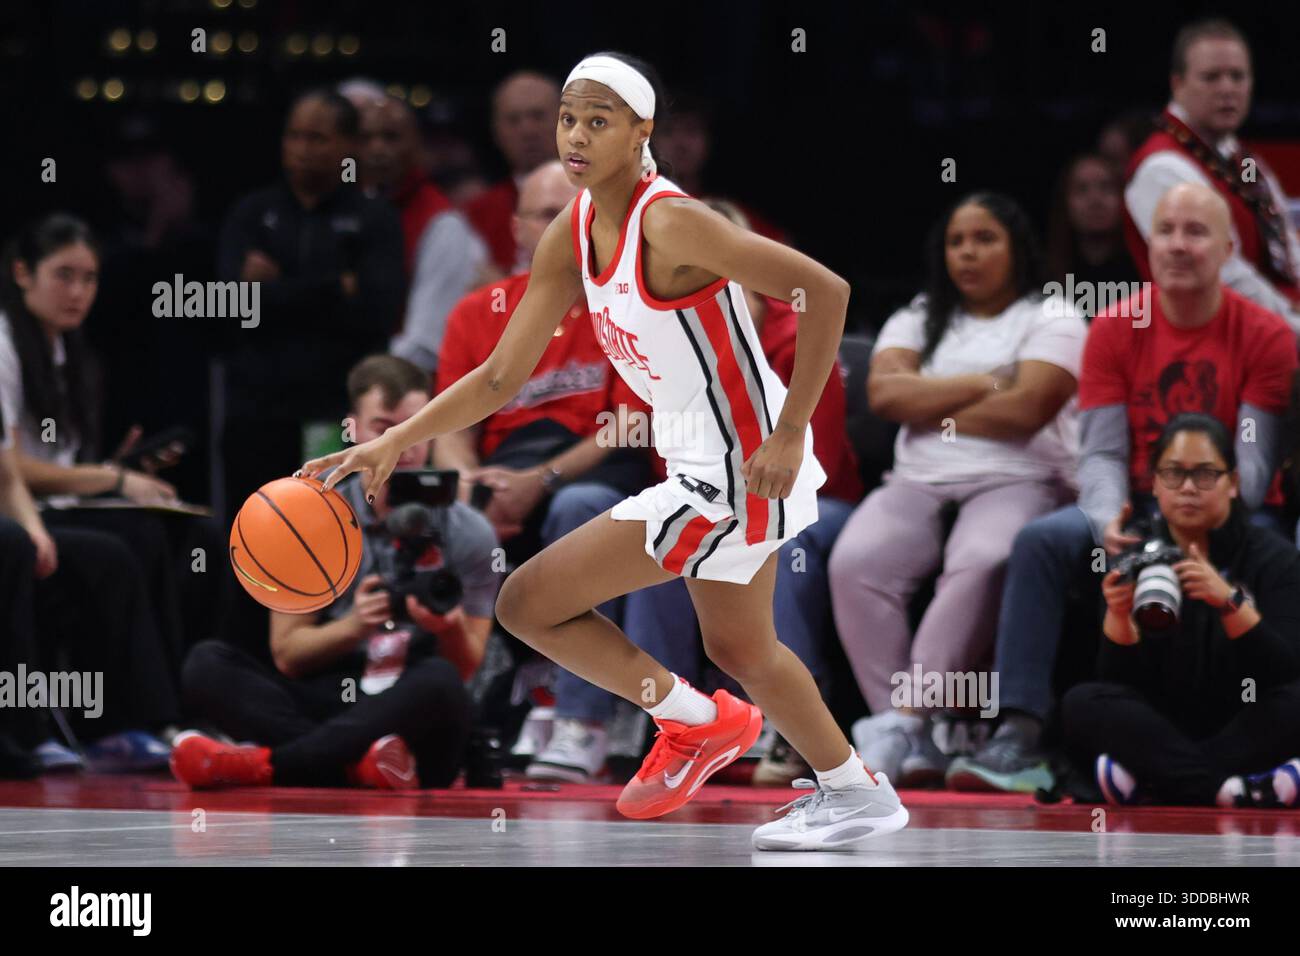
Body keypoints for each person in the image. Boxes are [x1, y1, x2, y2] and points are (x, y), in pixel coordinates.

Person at [299, 51, 909, 851]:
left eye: (598, 120)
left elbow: (824, 291)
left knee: (524, 602)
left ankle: (694, 721)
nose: (576, 135)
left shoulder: (671, 219)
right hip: (698, 460)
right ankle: (854, 791)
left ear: (642, 132)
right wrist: (392, 444)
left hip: (740, 463)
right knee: (741, 647)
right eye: (567, 117)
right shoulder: (575, 226)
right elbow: (499, 375)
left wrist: (791, 432)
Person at [948, 182, 1298, 794]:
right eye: (1166, 230)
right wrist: (1110, 519)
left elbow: (1253, 464)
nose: (1179, 245)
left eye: (1196, 232)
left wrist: (1197, 514)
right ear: (1148, 243)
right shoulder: (1115, 325)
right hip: (1139, 508)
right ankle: (1019, 732)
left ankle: (1173, 767)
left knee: (1272, 561)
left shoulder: (1267, 335)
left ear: (1228, 248)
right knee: (1041, 541)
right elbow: (1103, 453)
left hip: (1233, 514)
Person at [834, 194, 1084, 786]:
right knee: (854, 562)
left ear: (1017, 248)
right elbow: (885, 398)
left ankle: (901, 724)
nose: (968, 253)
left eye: (985, 239)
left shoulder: (1054, 316)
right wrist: (985, 382)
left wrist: (930, 400)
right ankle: (907, 732)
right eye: (956, 241)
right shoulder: (917, 316)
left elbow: (1026, 411)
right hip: (918, 480)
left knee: (982, 559)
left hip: (1017, 477)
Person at [171, 355, 498, 789]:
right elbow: (289, 655)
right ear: (353, 431)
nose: (403, 444)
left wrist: (448, 627)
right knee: (206, 665)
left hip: (412, 710)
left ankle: (267, 765)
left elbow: (466, 668)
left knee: (439, 683)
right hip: (334, 695)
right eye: (384, 427)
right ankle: (354, 766)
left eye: (417, 427)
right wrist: (354, 627)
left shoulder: (470, 530)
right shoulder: (305, 514)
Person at [1064, 413, 1300, 808]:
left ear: (1234, 483)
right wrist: (1119, 620)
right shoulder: (1132, 559)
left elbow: (1284, 672)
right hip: (1162, 721)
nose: (1188, 488)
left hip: (1243, 720)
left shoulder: (1274, 558)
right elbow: (1116, 681)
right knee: (1082, 702)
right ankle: (1233, 789)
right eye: (1173, 473)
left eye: (1206, 474)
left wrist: (1229, 602)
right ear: (1154, 483)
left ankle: (1155, 780)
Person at [215, 87, 405, 518]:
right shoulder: (251, 211)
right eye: (294, 136)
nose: (302, 150)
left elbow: (377, 312)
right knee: (252, 530)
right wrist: (334, 287)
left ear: (349, 146)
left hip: (337, 409)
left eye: (317, 139)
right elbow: (231, 307)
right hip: (258, 410)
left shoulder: (375, 218)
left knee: (331, 530)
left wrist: (276, 288)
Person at [1123, 18, 1300, 336]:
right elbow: (1223, 275)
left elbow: (1290, 250)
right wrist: (1293, 328)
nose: (1227, 89)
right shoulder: (1161, 167)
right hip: (1210, 351)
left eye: (1237, 76)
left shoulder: (1243, 158)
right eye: (1211, 77)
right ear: (1178, 84)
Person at [358, 94, 491, 375]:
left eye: (391, 137)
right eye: (365, 138)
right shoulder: (344, 211)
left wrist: (354, 372)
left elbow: (425, 346)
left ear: (417, 147)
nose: (377, 149)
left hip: (406, 390)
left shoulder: (443, 224)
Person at [463, 72, 563, 275]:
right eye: (513, 120)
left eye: (538, 116)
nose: (527, 130)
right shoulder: (475, 215)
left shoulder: (602, 200)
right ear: (496, 131)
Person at [1045, 154, 1140, 310]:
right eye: (1081, 189)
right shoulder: (1047, 275)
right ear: (1065, 203)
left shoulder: (1144, 271)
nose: (1095, 200)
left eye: (1106, 187)